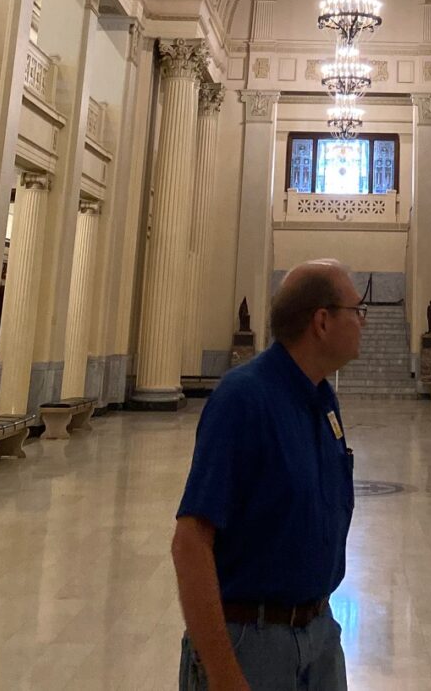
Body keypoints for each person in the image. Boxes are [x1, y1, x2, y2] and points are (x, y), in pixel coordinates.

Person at [173, 259, 364, 689]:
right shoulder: (243, 399)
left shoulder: (324, 400)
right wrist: (224, 675)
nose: (363, 322)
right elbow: (190, 543)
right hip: (252, 642)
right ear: (322, 321)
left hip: (318, 635)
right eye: (356, 311)